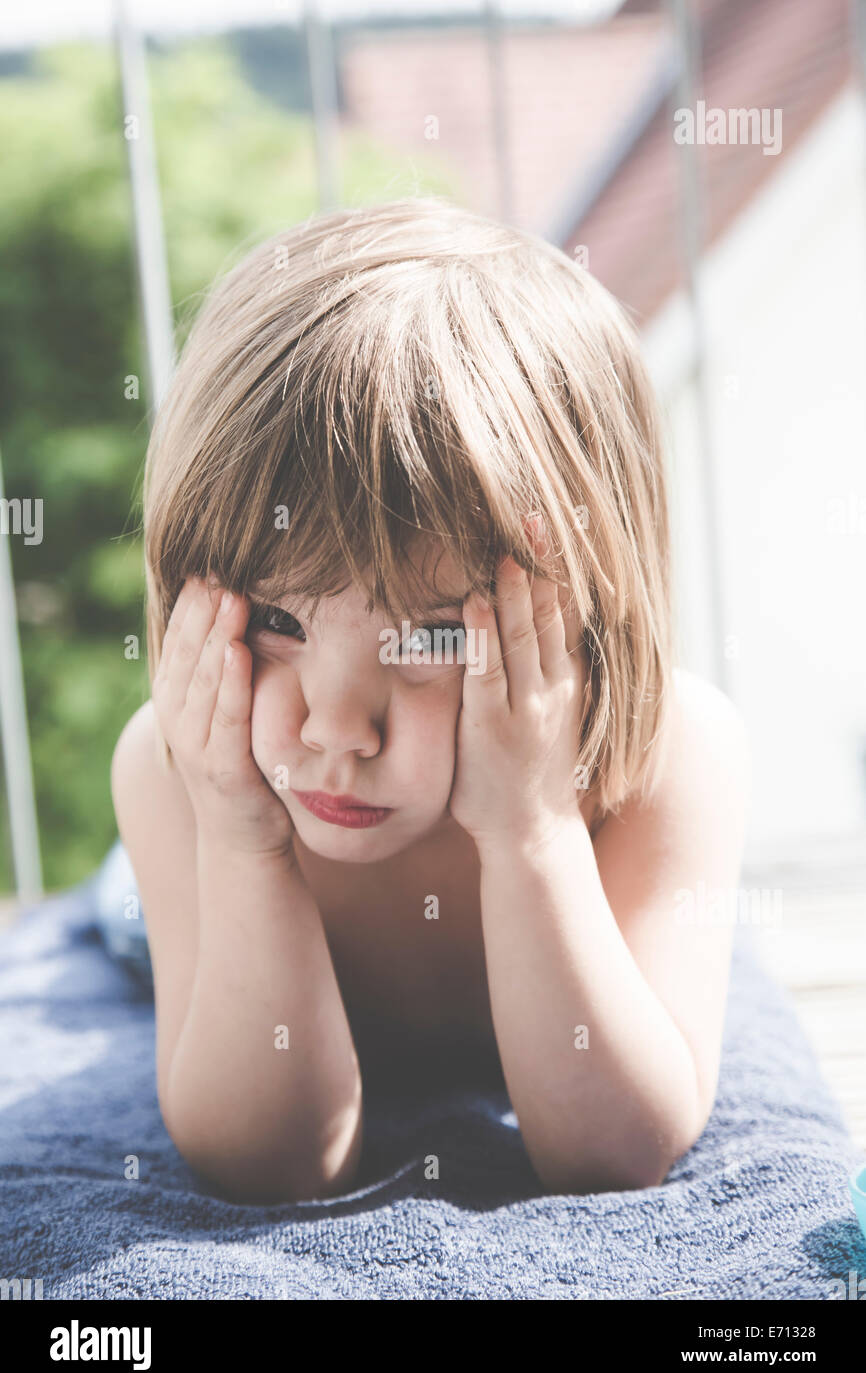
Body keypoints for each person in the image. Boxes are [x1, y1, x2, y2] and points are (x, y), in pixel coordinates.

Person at [110, 196, 750, 1206]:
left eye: (432, 636)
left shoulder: (670, 758)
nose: (333, 729)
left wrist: (532, 832)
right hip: (165, 894)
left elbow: (614, 1150)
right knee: (122, 916)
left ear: (585, 613)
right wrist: (241, 843)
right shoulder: (180, 771)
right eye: (276, 617)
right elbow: (271, 1162)